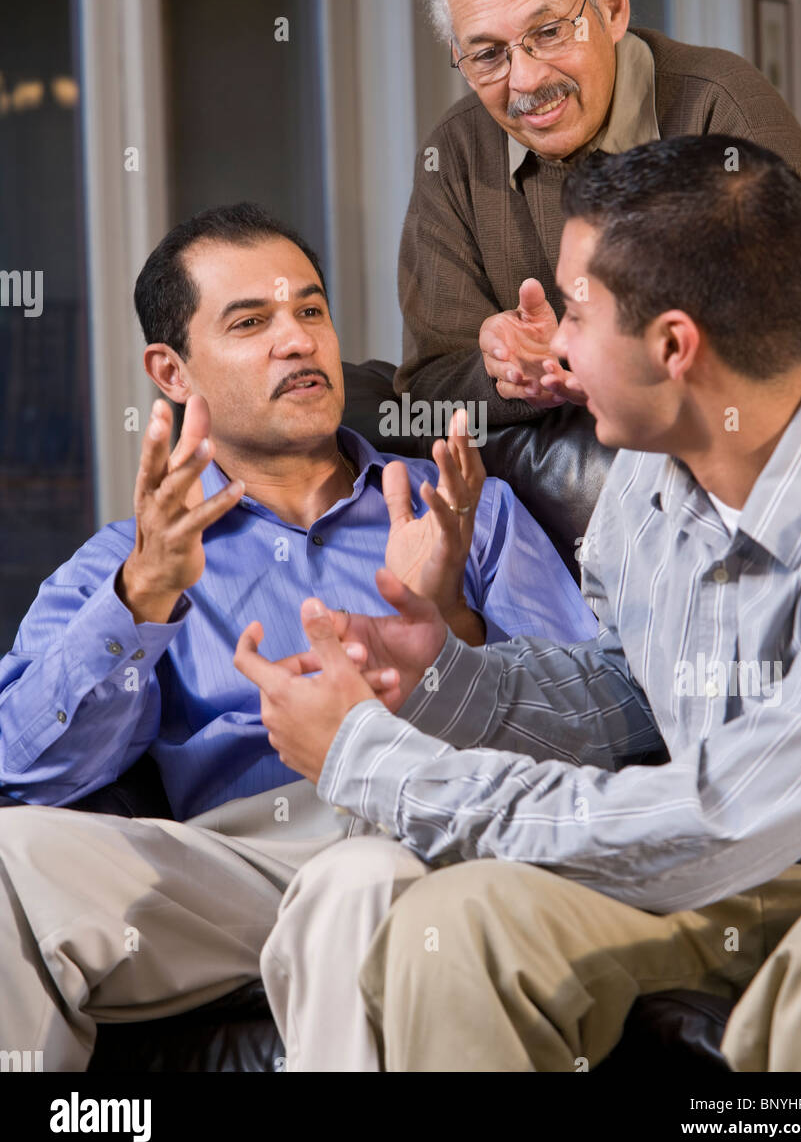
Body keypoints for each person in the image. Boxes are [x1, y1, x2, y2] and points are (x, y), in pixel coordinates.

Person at [235, 137, 801, 1072]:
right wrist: (443, 678)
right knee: (458, 930)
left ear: (672, 345)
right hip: (714, 868)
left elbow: (715, 819)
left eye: (575, 309)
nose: (553, 343)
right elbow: (631, 686)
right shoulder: (647, 479)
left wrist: (372, 756)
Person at [0, 201, 594, 1072]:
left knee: (356, 884)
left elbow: (592, 723)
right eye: (251, 322)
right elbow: (24, 771)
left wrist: (450, 627)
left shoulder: (463, 506)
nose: (298, 340)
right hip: (233, 869)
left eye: (309, 310)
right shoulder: (135, 555)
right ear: (172, 370)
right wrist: (141, 601)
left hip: (425, 839)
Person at [396, 0, 801, 424]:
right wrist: (503, 373)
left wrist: (609, 363)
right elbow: (425, 392)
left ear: (612, 6)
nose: (525, 80)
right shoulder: (454, 153)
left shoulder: (721, 107)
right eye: (487, 55)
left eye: (549, 32)